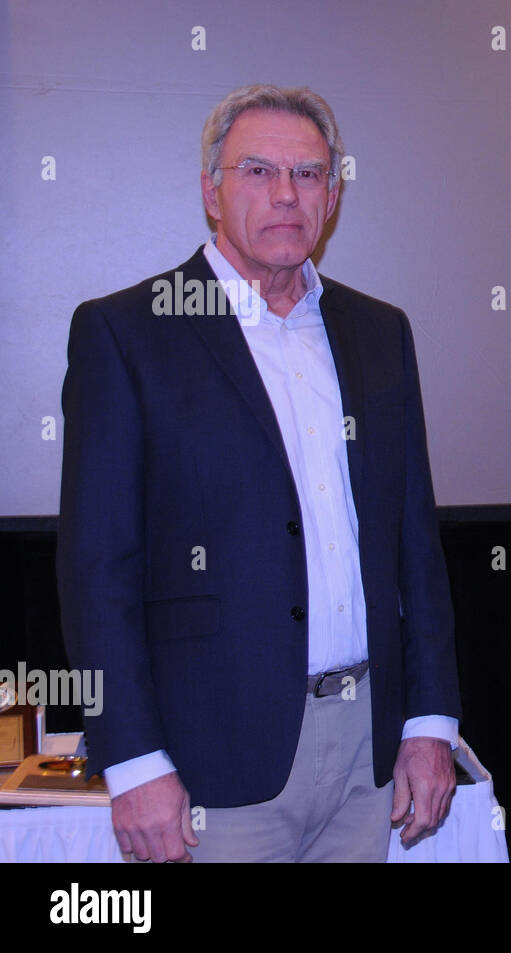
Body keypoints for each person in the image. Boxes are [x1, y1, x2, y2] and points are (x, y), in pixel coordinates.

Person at [56, 84, 461, 862]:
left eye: (309, 174)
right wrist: (134, 761)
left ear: (334, 194)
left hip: (367, 755)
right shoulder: (126, 333)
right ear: (211, 191)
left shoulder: (379, 332)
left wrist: (430, 722)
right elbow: (96, 568)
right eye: (258, 171)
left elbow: (417, 544)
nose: (286, 194)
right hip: (210, 760)